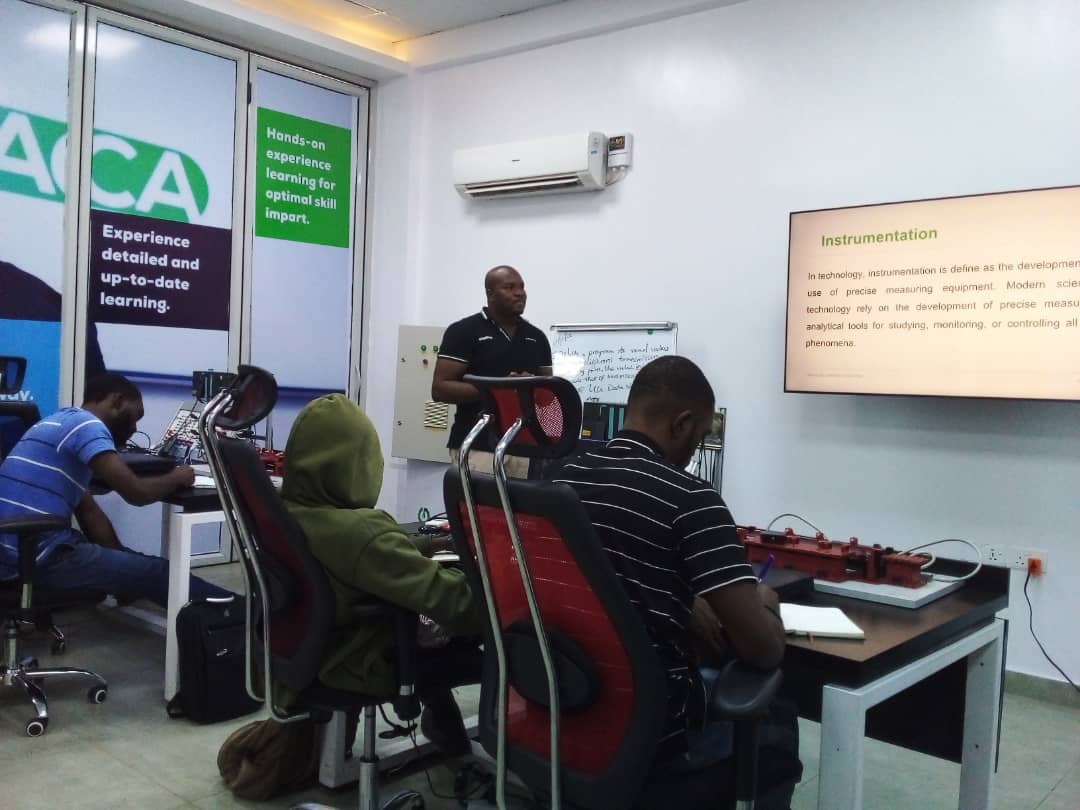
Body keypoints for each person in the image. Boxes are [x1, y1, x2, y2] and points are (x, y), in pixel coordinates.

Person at [552, 355, 800, 808]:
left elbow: (595, 579)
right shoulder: (691, 500)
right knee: (777, 711)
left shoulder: (562, 480)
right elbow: (763, 650)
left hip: (561, 709)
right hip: (654, 739)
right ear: (682, 423)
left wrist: (677, 603)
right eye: (700, 437)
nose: (694, 452)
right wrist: (764, 600)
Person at [280, 393, 483, 755]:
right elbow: (456, 605)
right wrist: (502, 588)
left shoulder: (291, 512)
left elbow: (372, 556)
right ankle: (487, 755)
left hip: (315, 651)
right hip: (363, 661)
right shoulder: (361, 532)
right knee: (499, 639)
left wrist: (428, 544)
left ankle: (450, 736)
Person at [0, 372, 231, 605]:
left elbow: (89, 511)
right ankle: (236, 609)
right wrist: (177, 477)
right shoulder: (88, 425)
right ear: (117, 402)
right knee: (159, 571)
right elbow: (137, 494)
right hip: (39, 556)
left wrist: (121, 562)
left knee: (140, 565)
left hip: (16, 553)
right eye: (135, 416)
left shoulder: (60, 420)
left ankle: (210, 608)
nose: (134, 428)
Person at [432, 265, 552, 478]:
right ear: (490, 293)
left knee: (522, 502)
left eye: (522, 287)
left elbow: (550, 396)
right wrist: (499, 390)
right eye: (509, 287)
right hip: (478, 447)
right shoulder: (463, 331)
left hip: (526, 450)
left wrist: (532, 387)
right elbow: (440, 389)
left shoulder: (537, 337)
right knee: (478, 502)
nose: (519, 293)